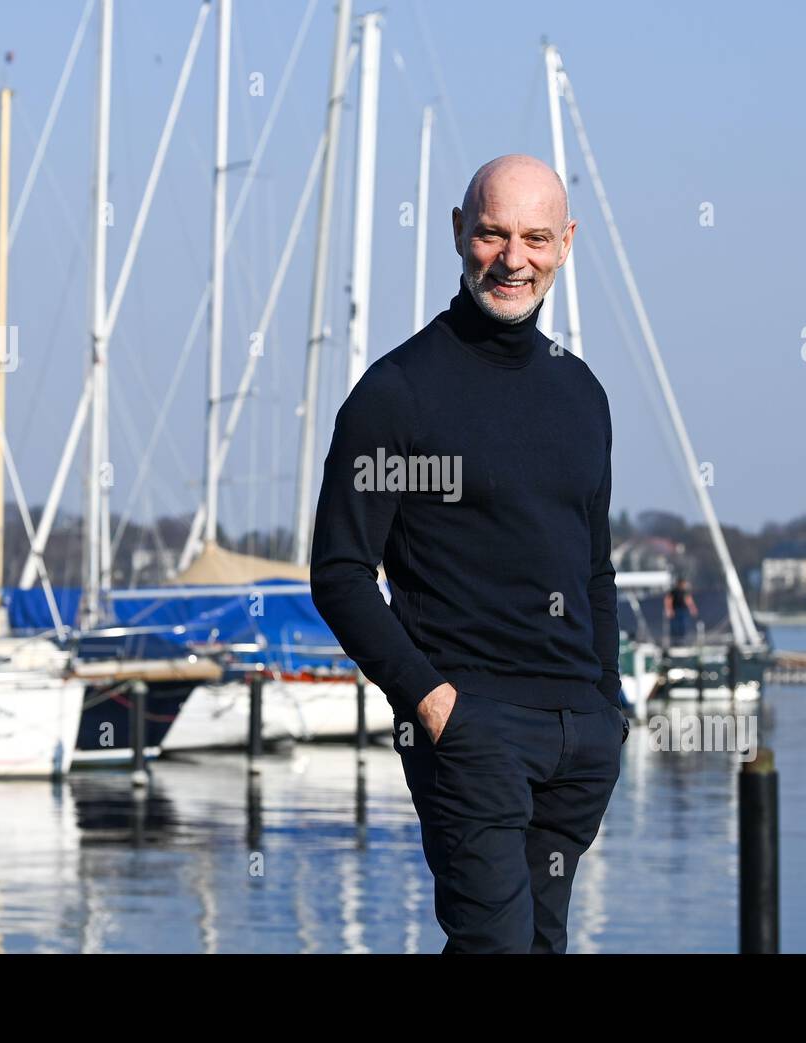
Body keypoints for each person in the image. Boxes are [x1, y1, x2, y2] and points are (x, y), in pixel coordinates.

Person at [310, 153, 624, 954]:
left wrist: (608, 708)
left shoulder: (581, 393)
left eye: (535, 238)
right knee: (496, 945)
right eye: (492, 233)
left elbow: (594, 571)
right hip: (470, 727)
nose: (513, 259)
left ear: (565, 244)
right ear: (458, 232)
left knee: (540, 945)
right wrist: (434, 702)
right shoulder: (398, 390)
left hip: (577, 738)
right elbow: (340, 573)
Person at [664, 577, 699, 646]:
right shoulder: (673, 591)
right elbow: (668, 600)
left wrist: (693, 609)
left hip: (683, 610)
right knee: (674, 627)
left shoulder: (685, 591)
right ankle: (674, 642)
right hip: (675, 610)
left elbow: (689, 600)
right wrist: (669, 610)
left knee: (683, 626)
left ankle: (682, 641)